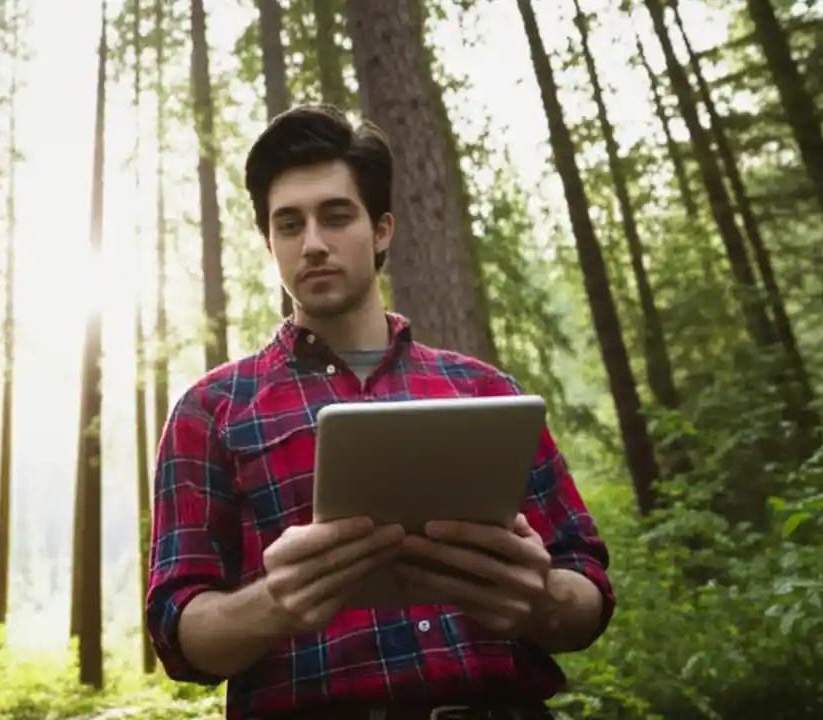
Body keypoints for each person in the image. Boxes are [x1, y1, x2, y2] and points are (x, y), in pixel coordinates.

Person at [144, 104, 614, 720]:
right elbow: (179, 635)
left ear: (383, 229)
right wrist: (273, 604)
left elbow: (588, 584)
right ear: (270, 243)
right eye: (289, 225)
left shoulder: (485, 392)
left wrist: (543, 599)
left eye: (336, 216)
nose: (312, 243)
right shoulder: (210, 411)